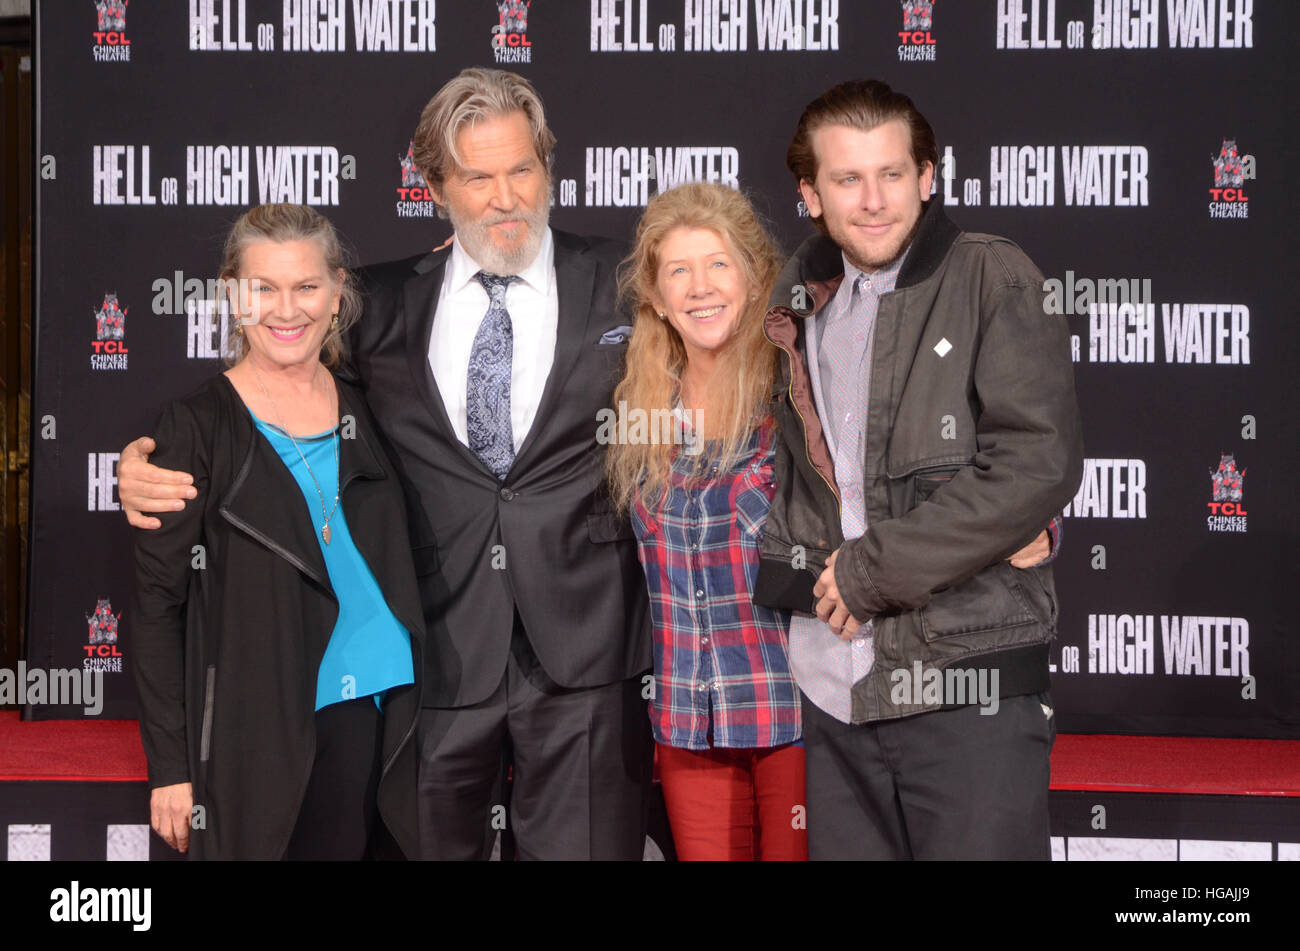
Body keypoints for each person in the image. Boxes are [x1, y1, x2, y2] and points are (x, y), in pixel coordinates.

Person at [120, 69, 652, 860]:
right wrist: (140, 462)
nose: (505, 196)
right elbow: (271, 388)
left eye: (522, 169)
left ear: (548, 168)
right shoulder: (380, 303)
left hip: (587, 651)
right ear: (437, 187)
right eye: (478, 176)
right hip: (432, 659)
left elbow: (731, 353)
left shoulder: (628, 283)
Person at [752, 79, 1083, 860]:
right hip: (834, 690)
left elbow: (1036, 461)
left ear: (928, 177)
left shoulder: (992, 277)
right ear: (811, 192)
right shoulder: (798, 297)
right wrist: (796, 582)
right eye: (847, 178)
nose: (873, 200)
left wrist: (872, 571)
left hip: (966, 681)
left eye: (893, 174)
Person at [132, 203, 424, 860]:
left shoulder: (368, 400)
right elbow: (157, 608)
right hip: (280, 725)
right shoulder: (196, 427)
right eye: (263, 288)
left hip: (400, 715)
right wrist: (171, 767)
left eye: (305, 286)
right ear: (233, 296)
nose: (285, 309)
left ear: (337, 292)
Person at [607, 183, 806, 860]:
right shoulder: (636, 412)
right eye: (679, 271)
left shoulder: (795, 392)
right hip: (688, 722)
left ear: (753, 279)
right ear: (658, 298)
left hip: (794, 712)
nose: (701, 287)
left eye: (719, 264)